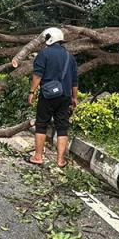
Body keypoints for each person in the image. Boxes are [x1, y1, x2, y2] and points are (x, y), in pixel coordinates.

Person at [27, 27, 78, 168]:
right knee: (62, 127)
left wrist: (32, 92)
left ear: (50, 38)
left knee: (41, 124)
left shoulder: (44, 54)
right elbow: (74, 81)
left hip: (48, 95)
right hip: (65, 96)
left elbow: (38, 75)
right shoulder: (70, 56)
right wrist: (75, 98)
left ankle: (38, 157)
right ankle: (60, 160)